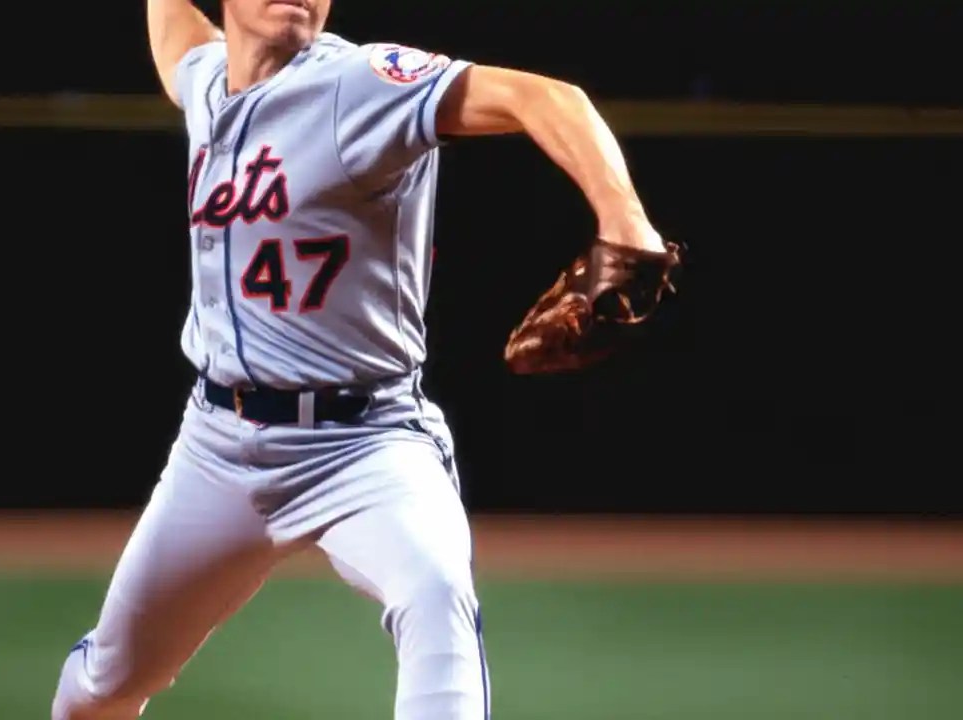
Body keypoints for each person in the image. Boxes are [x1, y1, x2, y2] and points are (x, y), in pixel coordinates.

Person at [51, 1, 671, 718]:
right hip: (216, 447)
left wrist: (625, 219)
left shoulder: (364, 82)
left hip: (366, 444)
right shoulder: (206, 80)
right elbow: (172, 30)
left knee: (435, 597)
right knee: (103, 684)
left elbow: (547, 97)